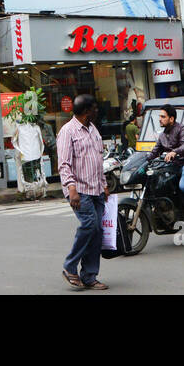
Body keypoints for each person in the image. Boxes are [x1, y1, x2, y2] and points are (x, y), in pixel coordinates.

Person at [56, 94, 108, 291]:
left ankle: (89, 275)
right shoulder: (67, 132)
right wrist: (71, 188)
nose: (97, 111)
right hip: (79, 189)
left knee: (97, 231)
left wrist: (104, 184)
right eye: (94, 108)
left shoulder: (93, 129)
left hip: (96, 188)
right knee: (89, 224)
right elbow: (64, 164)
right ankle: (70, 267)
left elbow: (98, 159)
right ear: (87, 111)